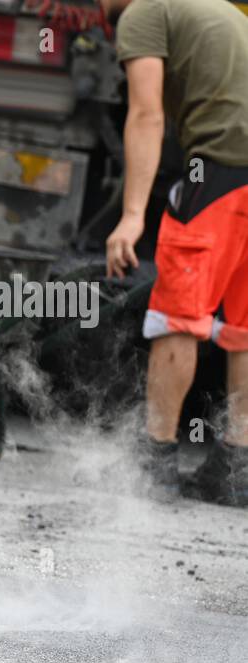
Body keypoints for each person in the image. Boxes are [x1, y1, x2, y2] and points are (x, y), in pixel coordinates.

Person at [103, 0, 248, 506]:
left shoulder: (142, 12)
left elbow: (146, 115)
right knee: (243, 328)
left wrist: (132, 215)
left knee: (178, 315)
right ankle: (236, 470)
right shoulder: (219, 9)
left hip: (220, 170)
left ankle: (155, 463)